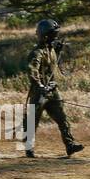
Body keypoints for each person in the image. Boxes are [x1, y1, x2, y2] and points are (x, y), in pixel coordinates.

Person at [22, 19, 84, 158]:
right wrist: (40, 86)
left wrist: (57, 49)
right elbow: (32, 71)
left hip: (52, 90)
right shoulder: (37, 53)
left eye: (56, 35)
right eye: (53, 35)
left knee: (62, 119)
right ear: (45, 36)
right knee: (32, 121)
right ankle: (29, 148)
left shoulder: (51, 50)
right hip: (39, 92)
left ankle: (70, 145)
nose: (55, 38)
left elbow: (52, 61)